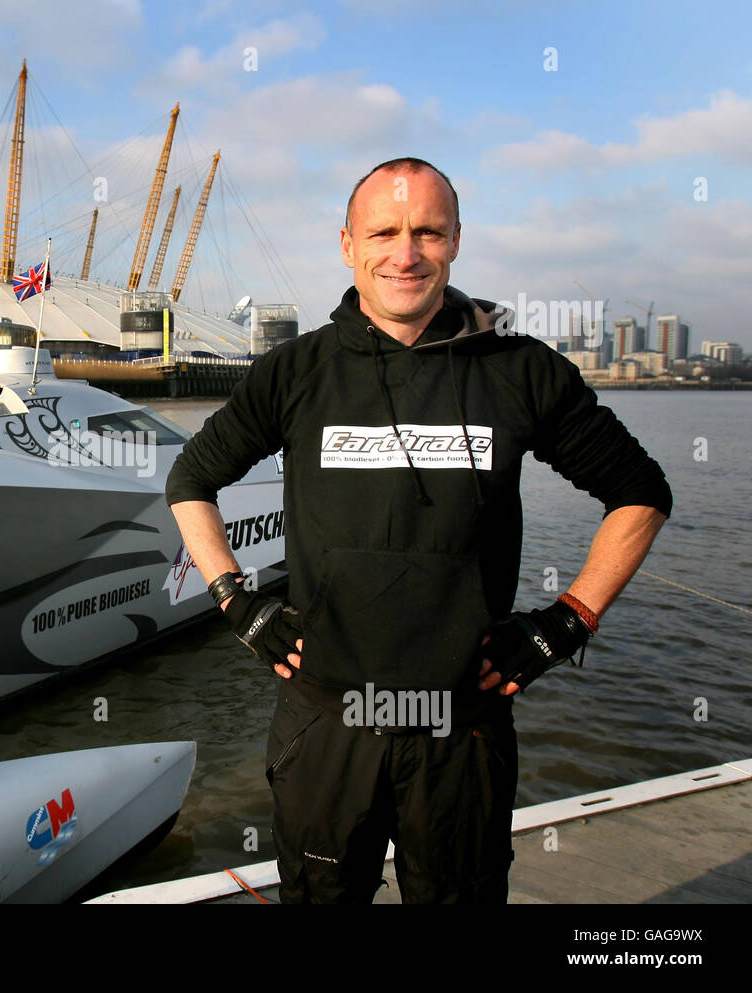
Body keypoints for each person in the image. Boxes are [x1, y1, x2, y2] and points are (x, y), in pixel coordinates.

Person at [164, 157, 672, 904]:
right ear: (347, 244)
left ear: (457, 241)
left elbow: (640, 493)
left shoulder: (519, 369)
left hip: (461, 731)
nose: (406, 253)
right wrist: (239, 604)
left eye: (428, 231)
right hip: (326, 725)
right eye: (386, 231)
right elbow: (190, 481)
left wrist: (567, 621)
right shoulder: (294, 370)